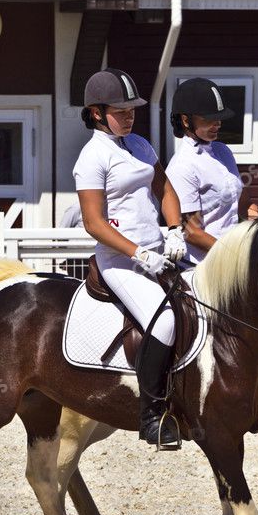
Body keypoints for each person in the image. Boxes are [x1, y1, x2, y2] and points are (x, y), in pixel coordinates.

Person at [72, 68, 187, 447]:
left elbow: (164, 188)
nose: (129, 116)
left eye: (132, 109)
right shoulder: (92, 156)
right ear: (96, 112)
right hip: (120, 260)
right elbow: (93, 222)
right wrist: (138, 253)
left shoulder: (141, 145)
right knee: (165, 323)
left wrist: (173, 229)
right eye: (120, 111)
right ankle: (152, 417)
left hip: (158, 251)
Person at [165, 78, 258, 264]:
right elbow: (191, 232)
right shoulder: (182, 165)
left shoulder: (223, 151)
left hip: (234, 257)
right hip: (203, 265)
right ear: (186, 120)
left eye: (219, 118)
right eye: (209, 119)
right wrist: (233, 254)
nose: (217, 124)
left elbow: (243, 204)